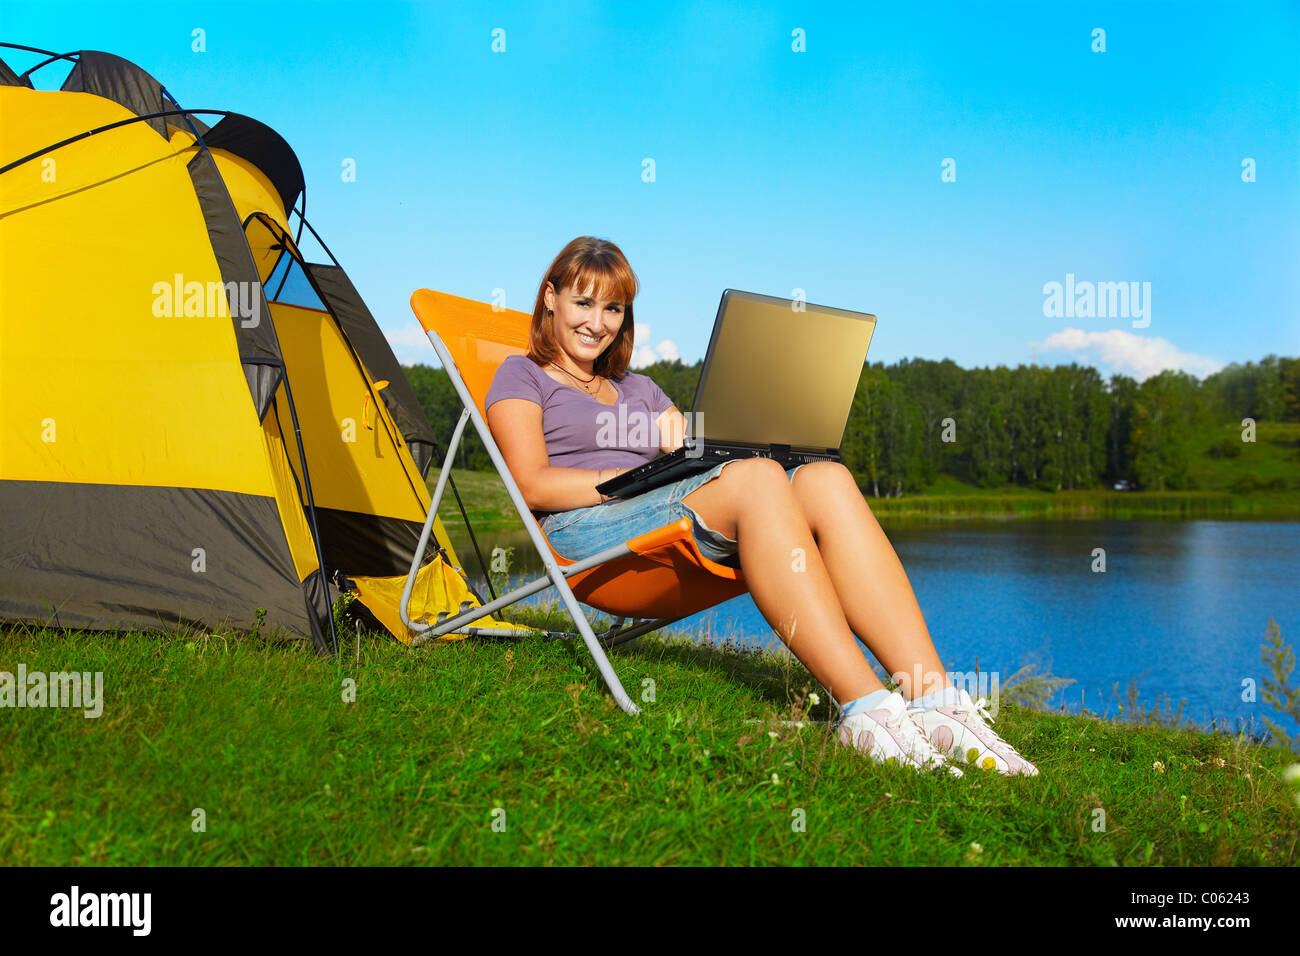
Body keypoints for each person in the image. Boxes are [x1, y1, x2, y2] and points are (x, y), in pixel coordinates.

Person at [485, 236, 1038, 777]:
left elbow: (693, 449)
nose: (597, 322)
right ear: (550, 297)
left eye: (613, 308)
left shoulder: (641, 389)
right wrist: (627, 479)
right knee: (755, 479)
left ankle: (934, 699)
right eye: (583, 302)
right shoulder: (522, 374)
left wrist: (739, 439)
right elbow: (531, 485)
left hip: (664, 528)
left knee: (824, 478)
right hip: (586, 542)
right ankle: (868, 711)